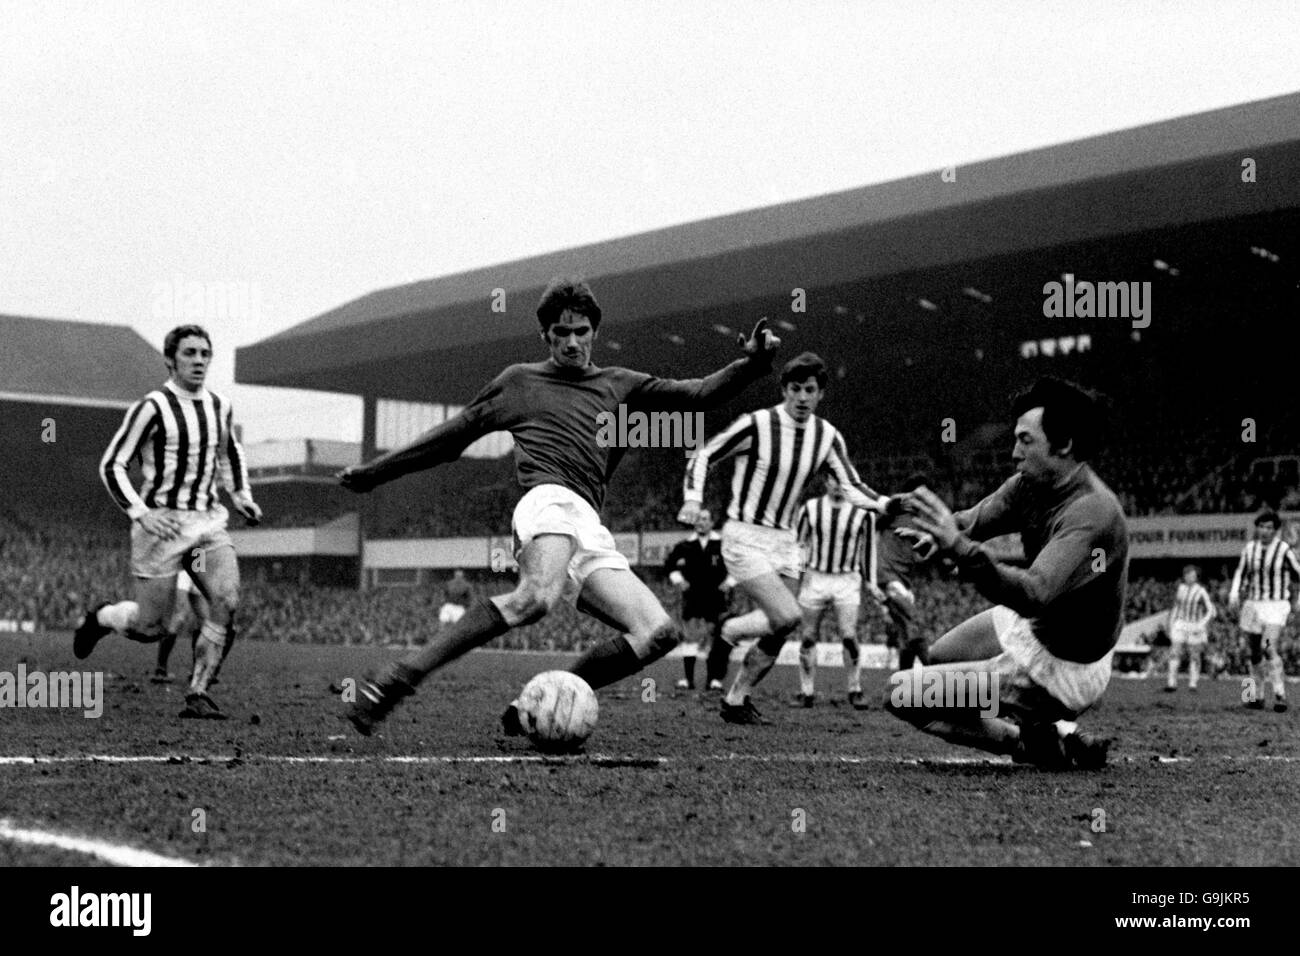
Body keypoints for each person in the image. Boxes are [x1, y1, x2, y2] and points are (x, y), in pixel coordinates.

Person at [338, 276, 779, 735]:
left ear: (594, 332)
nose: (572, 342)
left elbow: (698, 395)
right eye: (561, 333)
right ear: (545, 336)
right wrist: (377, 471)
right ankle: (399, 679)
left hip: (588, 521)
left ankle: (531, 703)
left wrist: (751, 365)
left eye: (581, 332)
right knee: (536, 598)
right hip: (545, 500)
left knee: (658, 633)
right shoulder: (519, 382)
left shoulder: (619, 384)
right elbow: (451, 438)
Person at [883, 377, 1125, 769]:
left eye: (1026, 441)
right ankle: (1056, 733)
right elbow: (971, 520)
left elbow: (1034, 593)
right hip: (1037, 625)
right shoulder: (1029, 485)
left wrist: (959, 547)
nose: (1013, 452)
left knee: (902, 694)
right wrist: (939, 532)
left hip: (1063, 666)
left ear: (1064, 445)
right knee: (936, 658)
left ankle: (1028, 742)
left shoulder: (1092, 511)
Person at [680, 351, 899, 725]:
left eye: (809, 390)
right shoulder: (758, 424)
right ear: (784, 389)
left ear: (820, 394)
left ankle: (736, 689)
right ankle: (735, 685)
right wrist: (692, 499)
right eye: (794, 388)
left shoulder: (827, 436)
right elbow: (704, 455)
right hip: (744, 536)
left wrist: (888, 504)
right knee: (787, 615)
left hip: (785, 541)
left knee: (783, 623)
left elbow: (850, 485)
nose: (801, 397)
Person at [74, 324, 261, 718]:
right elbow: (113, 465)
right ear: (170, 360)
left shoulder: (219, 406)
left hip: (207, 526)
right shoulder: (152, 407)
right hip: (163, 527)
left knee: (225, 600)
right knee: (151, 628)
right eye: (189, 353)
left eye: (204, 353)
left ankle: (198, 692)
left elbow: (229, 452)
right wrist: (142, 514)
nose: (198, 361)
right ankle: (102, 617)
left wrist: (241, 495)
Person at [793, 473, 872, 708]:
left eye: (841, 482)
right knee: (808, 636)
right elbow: (799, 543)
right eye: (832, 481)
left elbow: (868, 551)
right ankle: (806, 691)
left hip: (847, 579)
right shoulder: (810, 508)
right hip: (816, 577)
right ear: (826, 482)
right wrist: (798, 575)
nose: (837, 486)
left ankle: (855, 689)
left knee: (848, 635)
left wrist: (872, 583)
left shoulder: (861, 512)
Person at [1228, 510, 1299, 712]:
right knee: (1252, 652)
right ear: (1257, 528)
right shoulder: (1249, 548)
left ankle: (1280, 695)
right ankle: (1252, 696)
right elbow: (1240, 572)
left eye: (1269, 527)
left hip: (1276, 605)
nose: (1264, 531)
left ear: (1276, 531)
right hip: (1253, 604)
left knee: (1269, 647)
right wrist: (1234, 593)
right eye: (1261, 526)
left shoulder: (1284, 550)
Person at [869, 473, 937, 670]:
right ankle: (939, 678)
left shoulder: (922, 520)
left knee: (906, 638)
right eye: (916, 495)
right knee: (914, 624)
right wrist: (894, 502)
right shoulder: (895, 510)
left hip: (904, 581)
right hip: (887, 577)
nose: (920, 500)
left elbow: (926, 553)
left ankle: (900, 689)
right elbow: (871, 522)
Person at [664, 508, 731, 690]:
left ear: (711, 523)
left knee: (715, 637)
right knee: (690, 637)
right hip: (693, 597)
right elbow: (669, 565)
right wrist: (679, 581)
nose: (701, 522)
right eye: (698, 520)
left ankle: (714, 680)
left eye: (704, 519)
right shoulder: (685, 545)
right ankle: (689, 680)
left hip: (715, 597)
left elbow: (737, 565)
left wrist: (729, 582)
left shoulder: (722, 545)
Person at [1164, 564, 1214, 693]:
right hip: (1181, 624)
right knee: (1174, 652)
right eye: (1187, 575)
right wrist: (1171, 623)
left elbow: (1211, 611)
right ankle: (1171, 683)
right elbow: (1176, 607)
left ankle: (1193, 684)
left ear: (1196, 577)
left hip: (1194, 625)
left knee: (1194, 655)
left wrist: (1201, 624)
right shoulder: (1180, 589)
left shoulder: (1201, 591)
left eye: (1192, 575)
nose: (1189, 577)